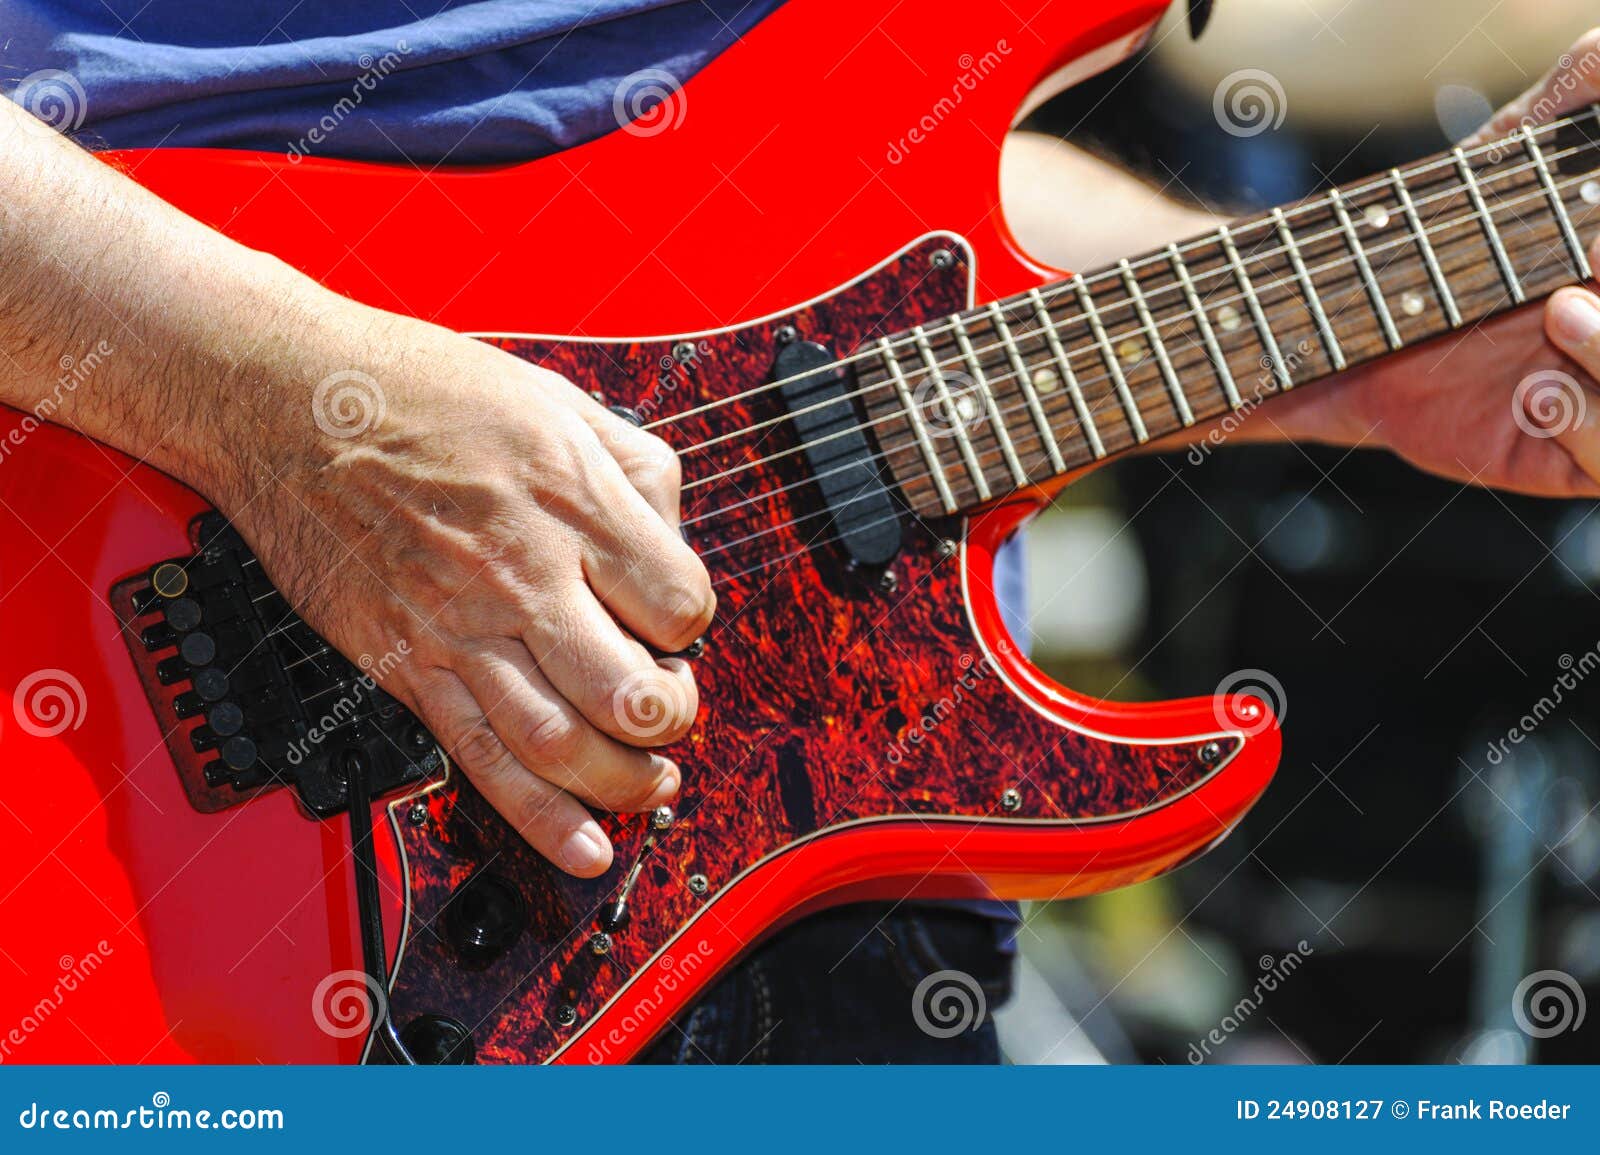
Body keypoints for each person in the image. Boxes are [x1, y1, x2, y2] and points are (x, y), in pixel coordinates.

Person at [3, 3, 1598, 1063]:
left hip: (828, 877)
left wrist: (1362, 352)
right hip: (117, 643)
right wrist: (293, 418)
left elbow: (878, 211)